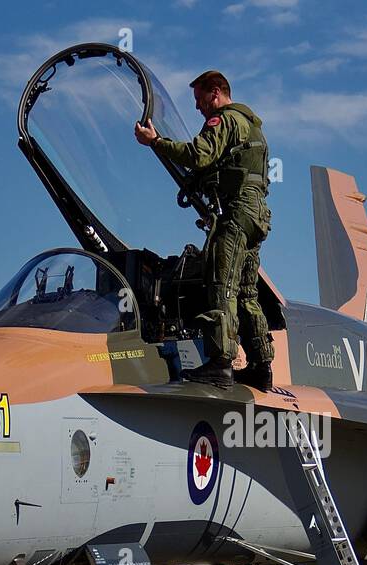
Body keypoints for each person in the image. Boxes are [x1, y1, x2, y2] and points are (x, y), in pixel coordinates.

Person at [134, 70, 274, 390]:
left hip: (236, 214)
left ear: (215, 92)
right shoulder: (251, 126)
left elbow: (199, 154)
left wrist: (155, 141)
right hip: (256, 215)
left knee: (220, 283)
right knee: (247, 292)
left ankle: (220, 363)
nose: (198, 108)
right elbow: (229, 168)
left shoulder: (222, 121)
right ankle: (261, 366)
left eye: (199, 100)